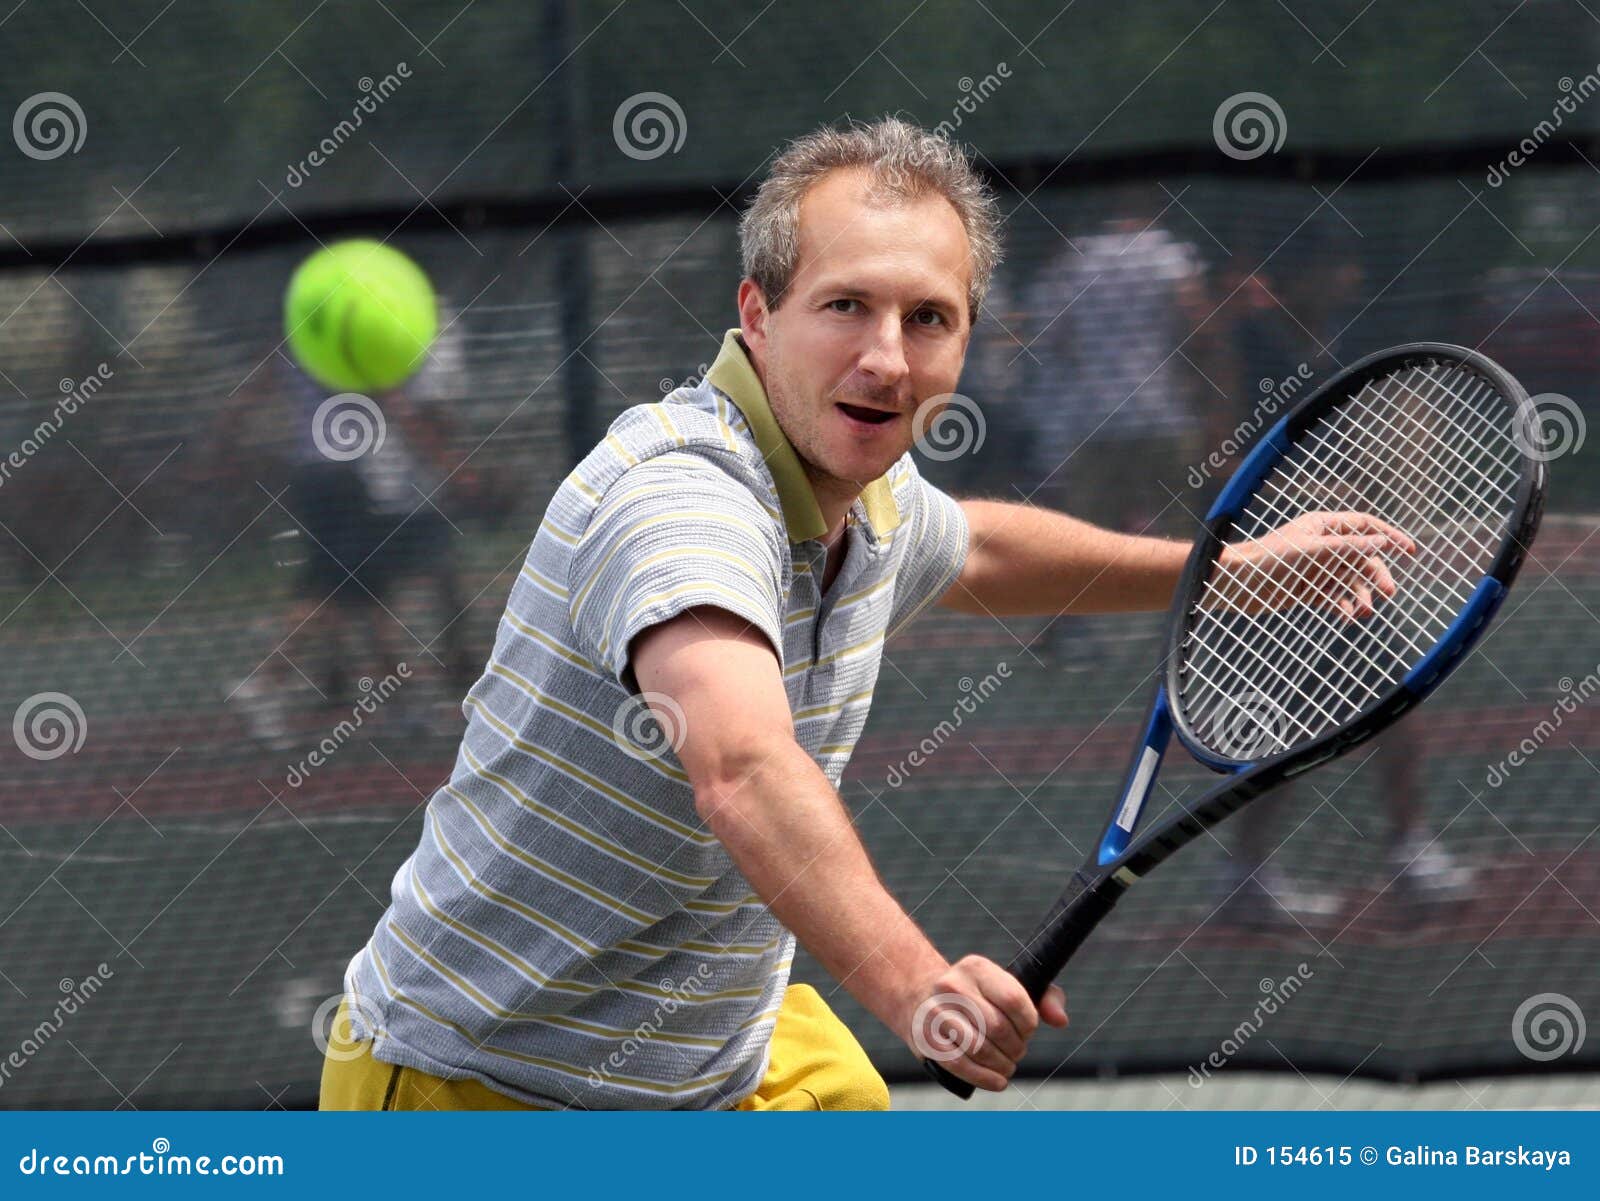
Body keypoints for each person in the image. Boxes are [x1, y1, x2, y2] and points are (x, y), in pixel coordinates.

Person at [318, 118, 1409, 1111]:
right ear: (758, 313)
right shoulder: (680, 497)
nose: (887, 357)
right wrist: (920, 990)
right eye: (846, 305)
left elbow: (978, 544)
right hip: (484, 1084)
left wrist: (1231, 568)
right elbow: (741, 766)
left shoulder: (866, 492)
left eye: (928, 318)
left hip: (723, 1057)